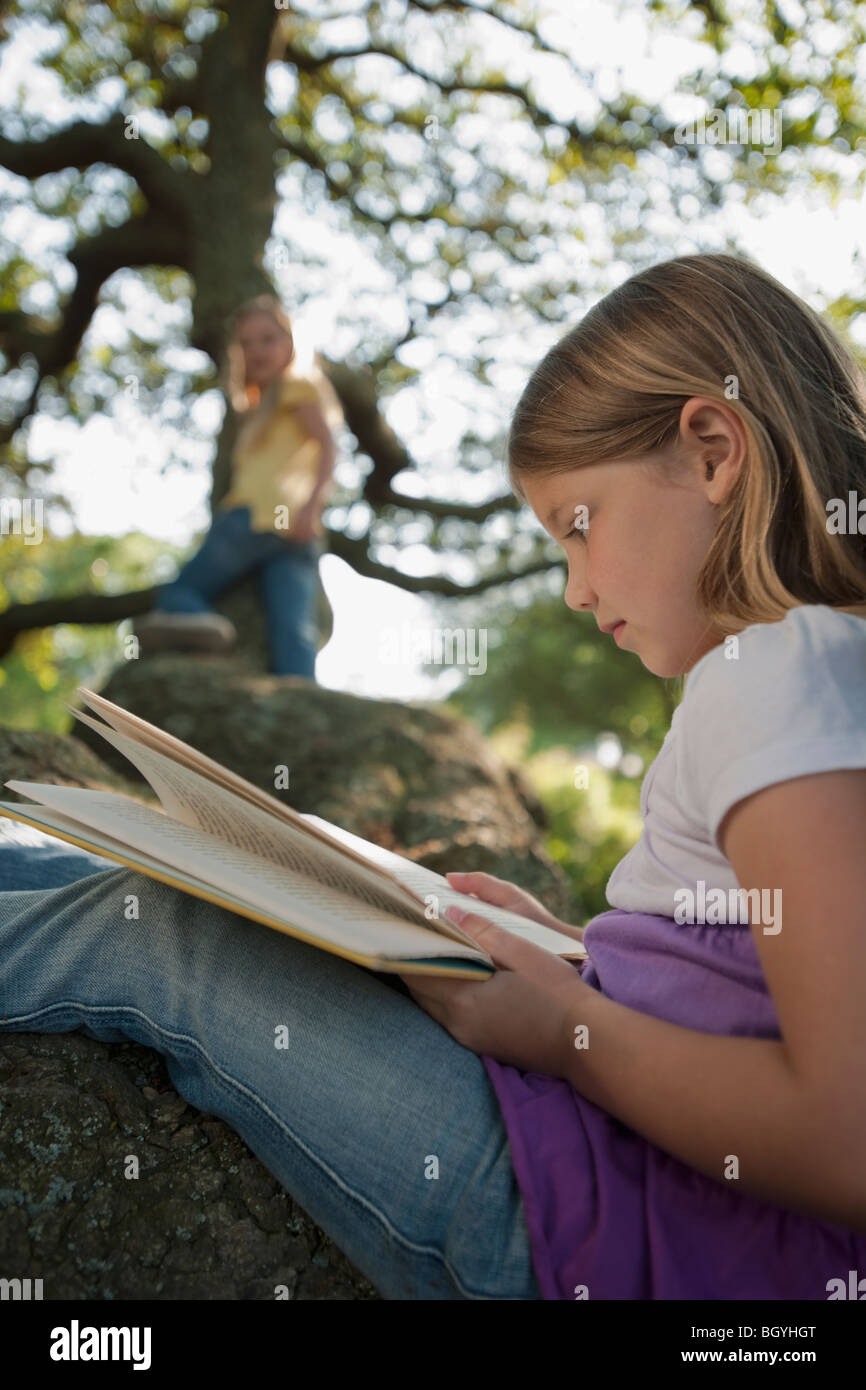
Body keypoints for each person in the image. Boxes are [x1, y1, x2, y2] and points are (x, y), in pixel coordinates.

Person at [2, 251, 866, 1300]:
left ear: (711, 451)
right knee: (206, 873)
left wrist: (568, 1029)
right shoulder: (818, 673)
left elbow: (840, 1133)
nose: (570, 589)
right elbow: (762, 980)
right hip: (622, 1181)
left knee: (166, 929)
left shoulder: (776, 674)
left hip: (621, 1227)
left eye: (576, 529)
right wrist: (573, 949)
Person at [135, 295, 340, 678]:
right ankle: (302, 706)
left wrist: (312, 508)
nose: (257, 350)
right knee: (294, 634)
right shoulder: (259, 405)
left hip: (255, 516)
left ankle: (205, 625)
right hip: (291, 531)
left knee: (176, 596)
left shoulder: (296, 384)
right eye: (246, 344)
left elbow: (328, 446)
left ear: (291, 343)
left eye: (267, 339)